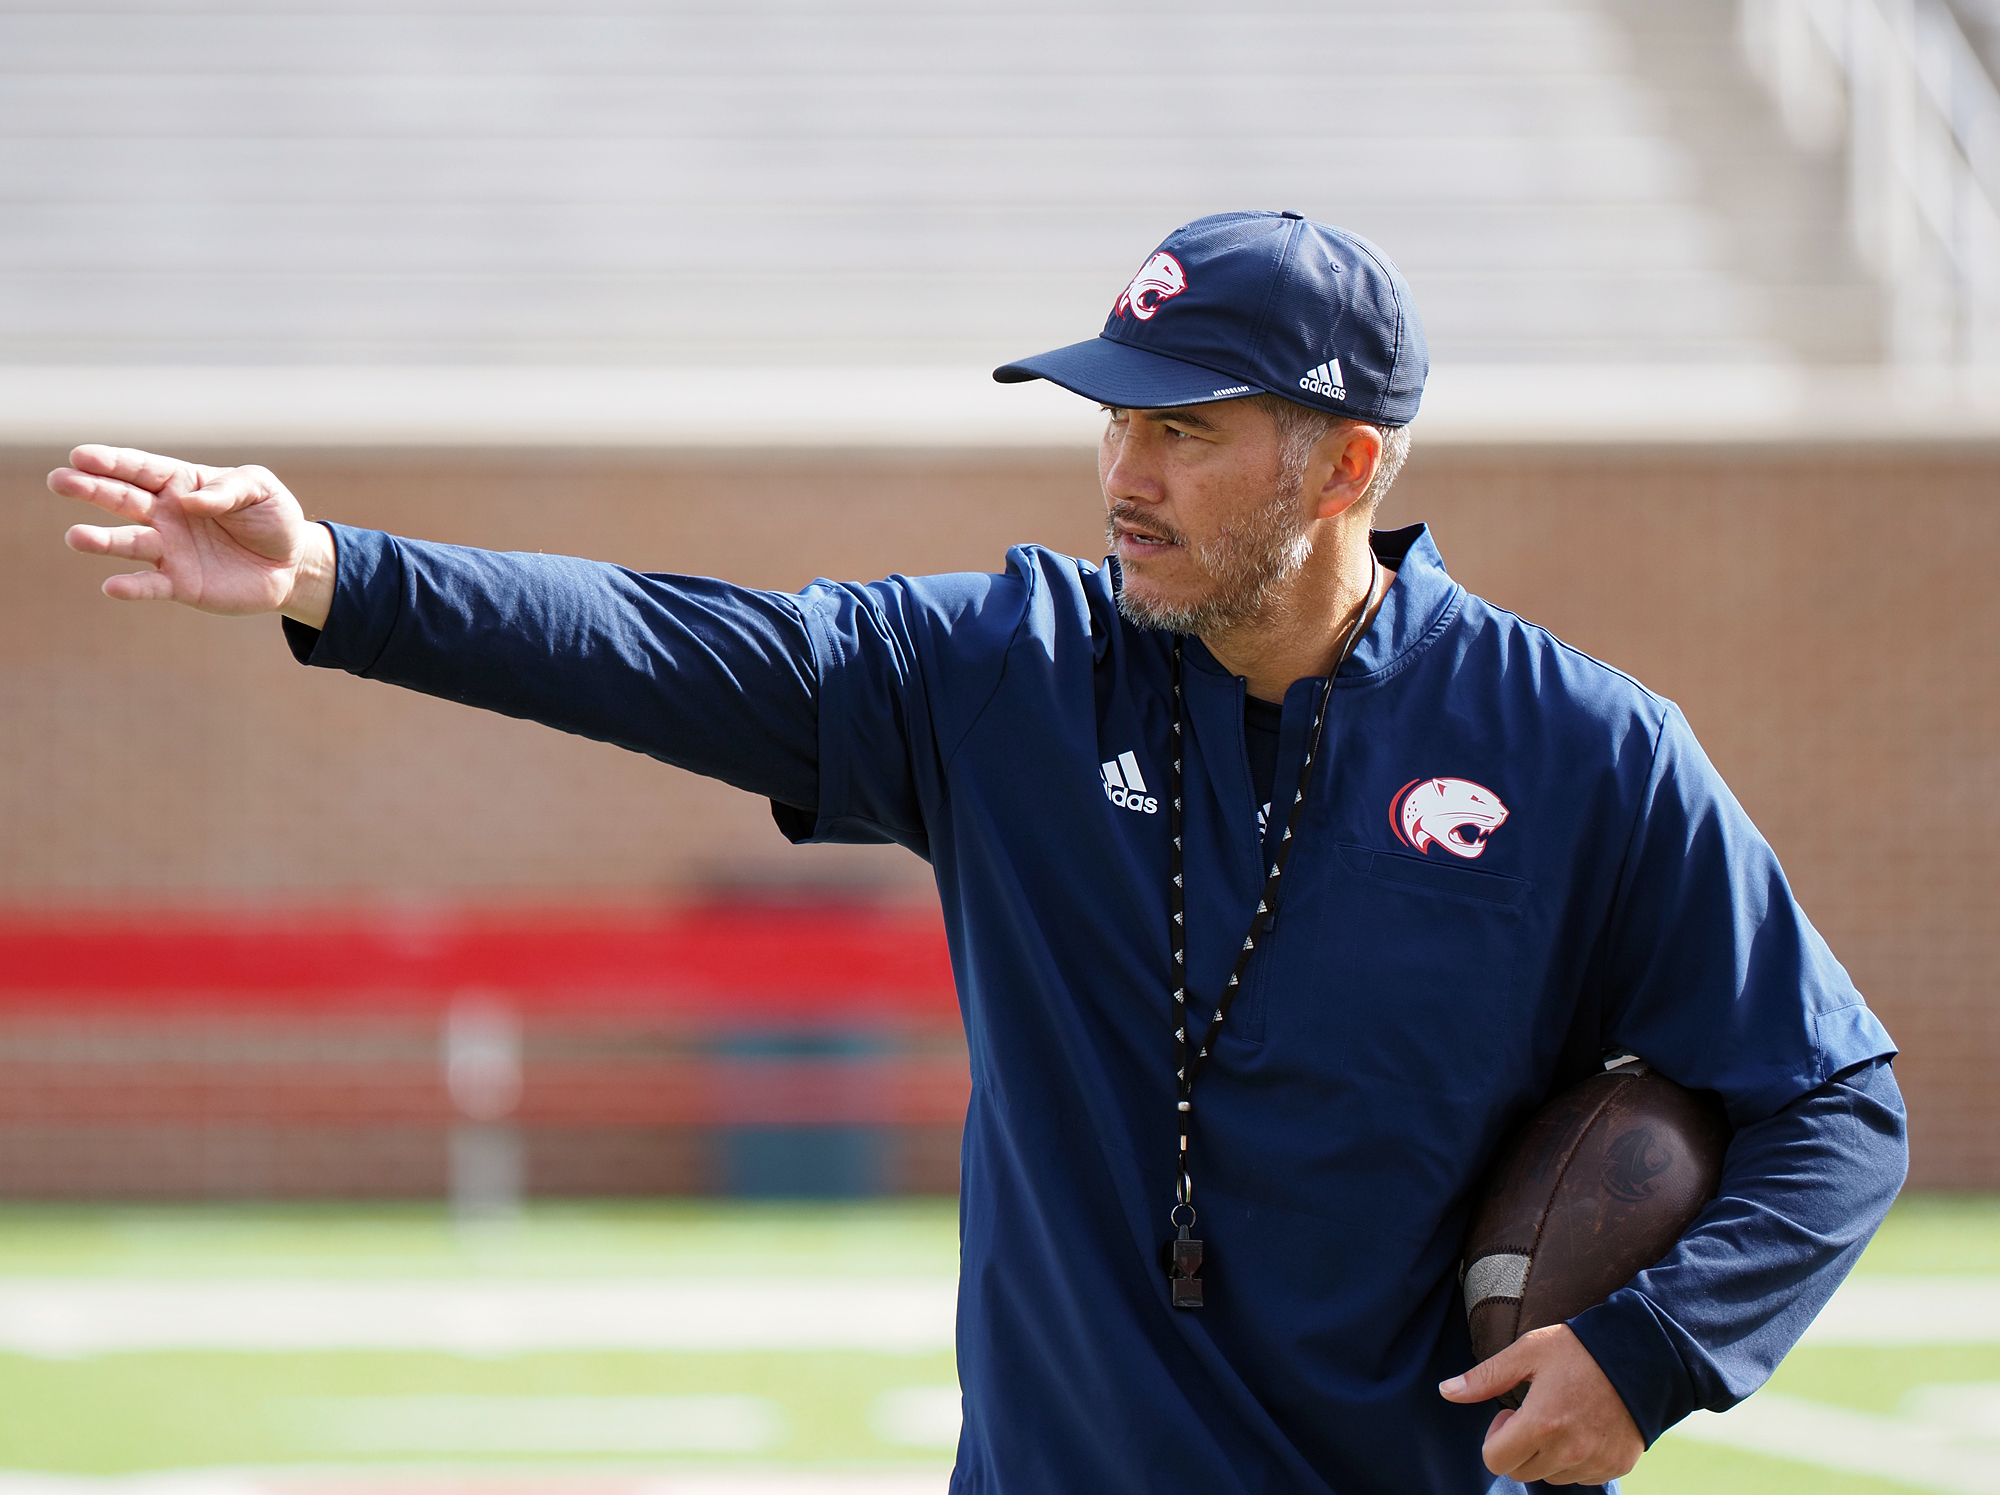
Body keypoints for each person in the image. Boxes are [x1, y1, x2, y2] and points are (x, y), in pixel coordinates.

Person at [48, 211, 1906, 1493]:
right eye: (1112, 418)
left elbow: (1832, 1100)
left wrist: (1653, 1357)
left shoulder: (1577, 749)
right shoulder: (1006, 673)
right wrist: (330, 574)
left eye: (1184, 429)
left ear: (1343, 469)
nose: (1124, 474)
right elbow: (684, 644)